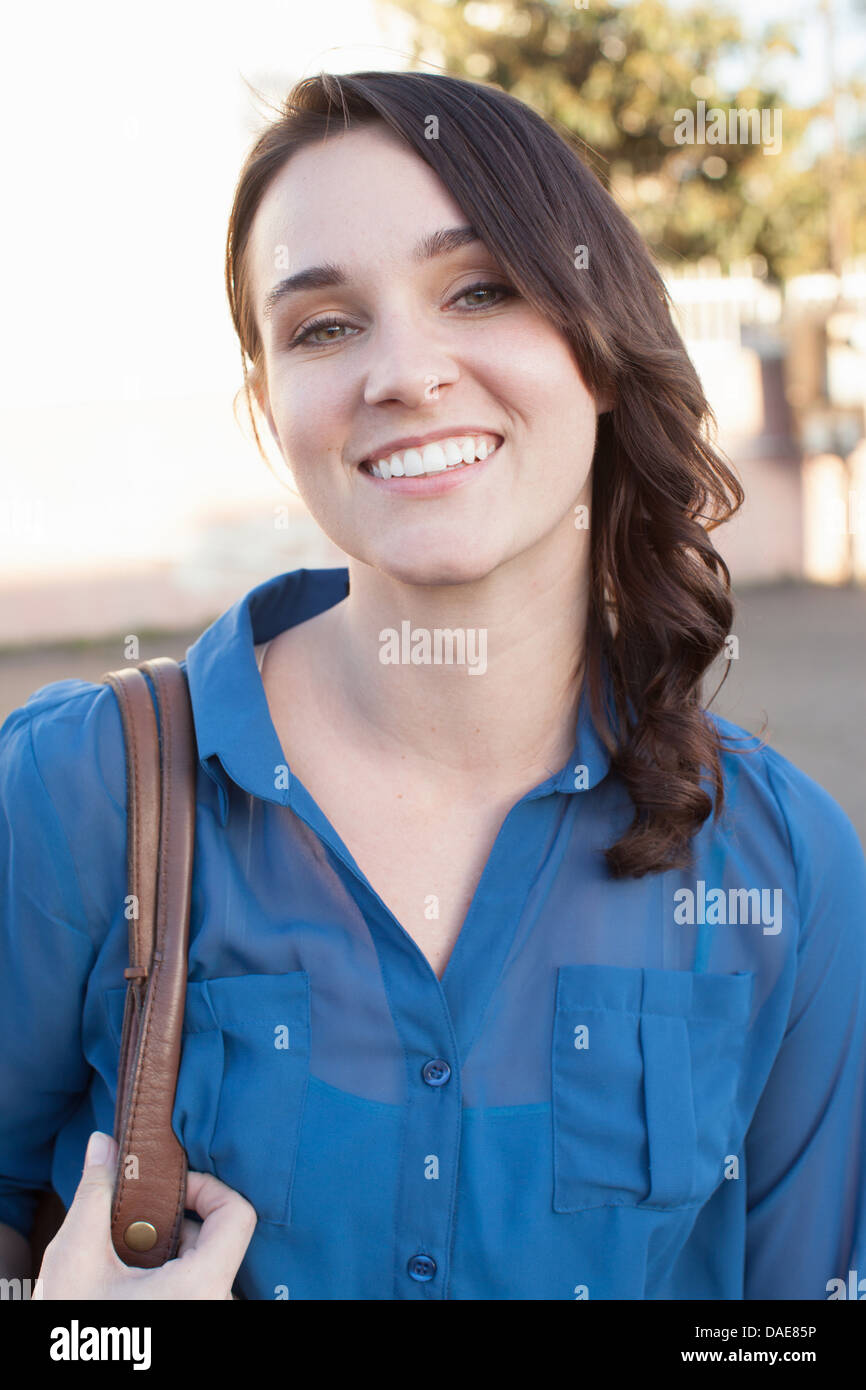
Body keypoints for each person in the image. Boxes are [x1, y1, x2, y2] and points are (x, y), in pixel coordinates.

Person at [1, 69, 864, 1302]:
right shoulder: (72, 795)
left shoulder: (787, 869)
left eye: (480, 289)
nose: (403, 371)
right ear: (271, 407)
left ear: (601, 346)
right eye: (323, 326)